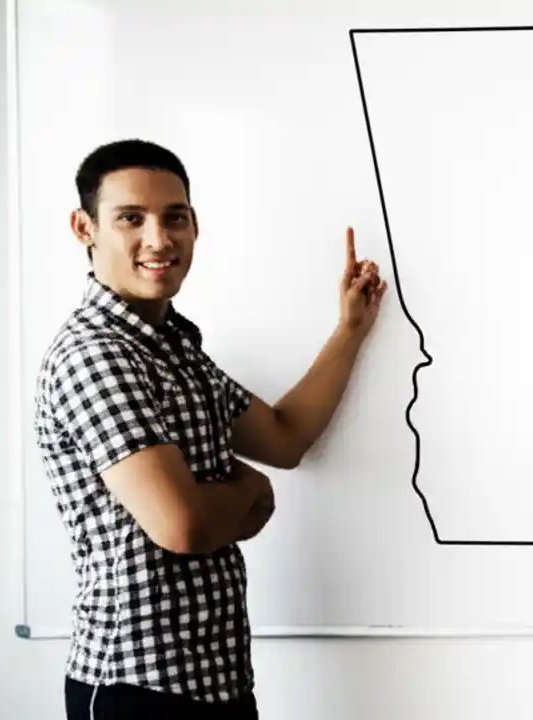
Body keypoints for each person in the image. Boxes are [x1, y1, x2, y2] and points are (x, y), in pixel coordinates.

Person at [34, 139, 387, 719]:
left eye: (175, 217)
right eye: (131, 218)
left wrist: (349, 329)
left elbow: (283, 435)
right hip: (137, 688)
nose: (159, 238)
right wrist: (251, 492)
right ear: (84, 227)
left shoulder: (175, 350)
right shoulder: (95, 354)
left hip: (216, 682)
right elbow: (184, 526)